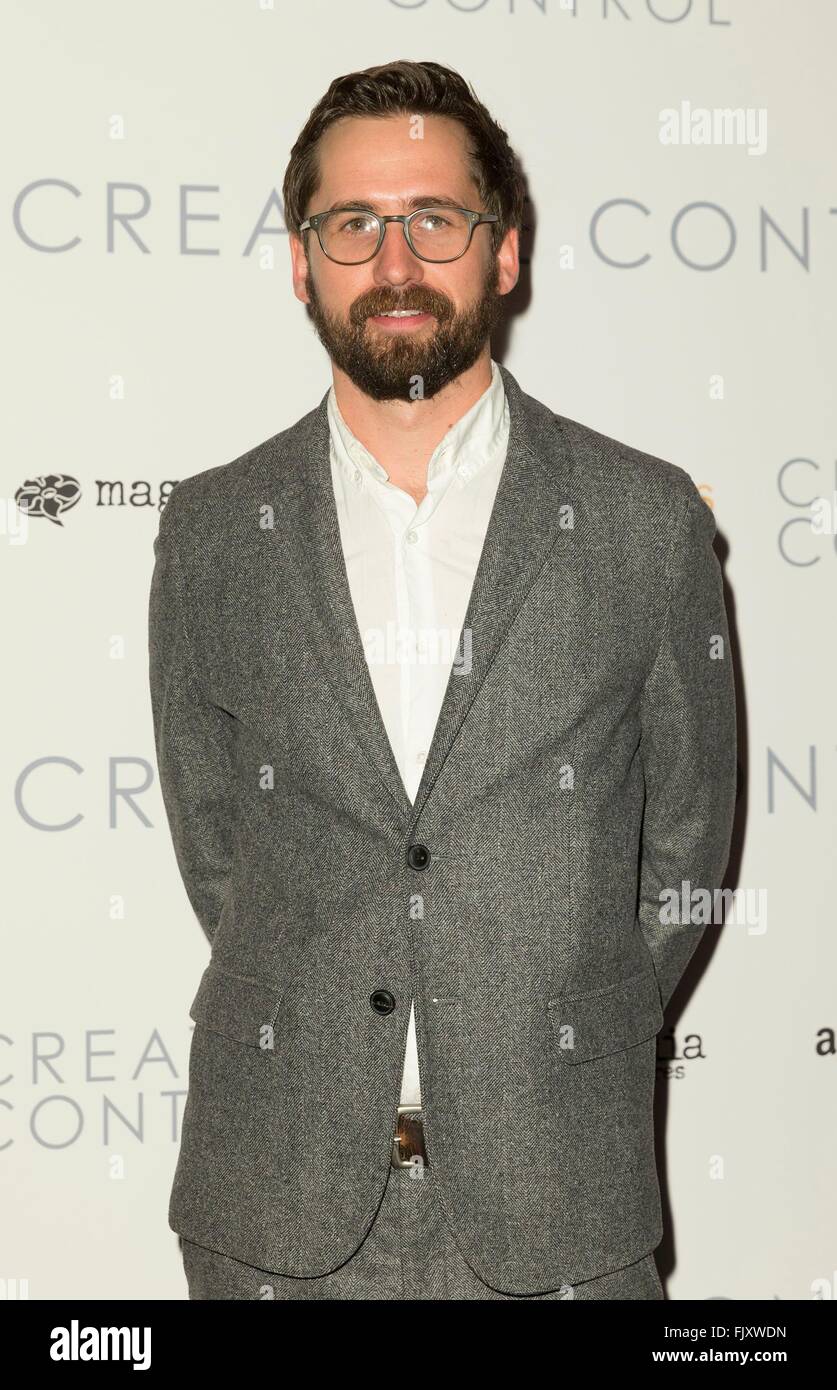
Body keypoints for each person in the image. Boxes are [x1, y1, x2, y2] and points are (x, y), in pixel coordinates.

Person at [148, 60, 738, 1300]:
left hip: (561, 1209)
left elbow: (686, 845)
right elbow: (221, 851)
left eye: (436, 218)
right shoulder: (212, 531)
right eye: (353, 223)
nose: (396, 258)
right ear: (301, 262)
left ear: (503, 254)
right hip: (274, 1217)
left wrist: (554, 1020)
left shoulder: (644, 522)